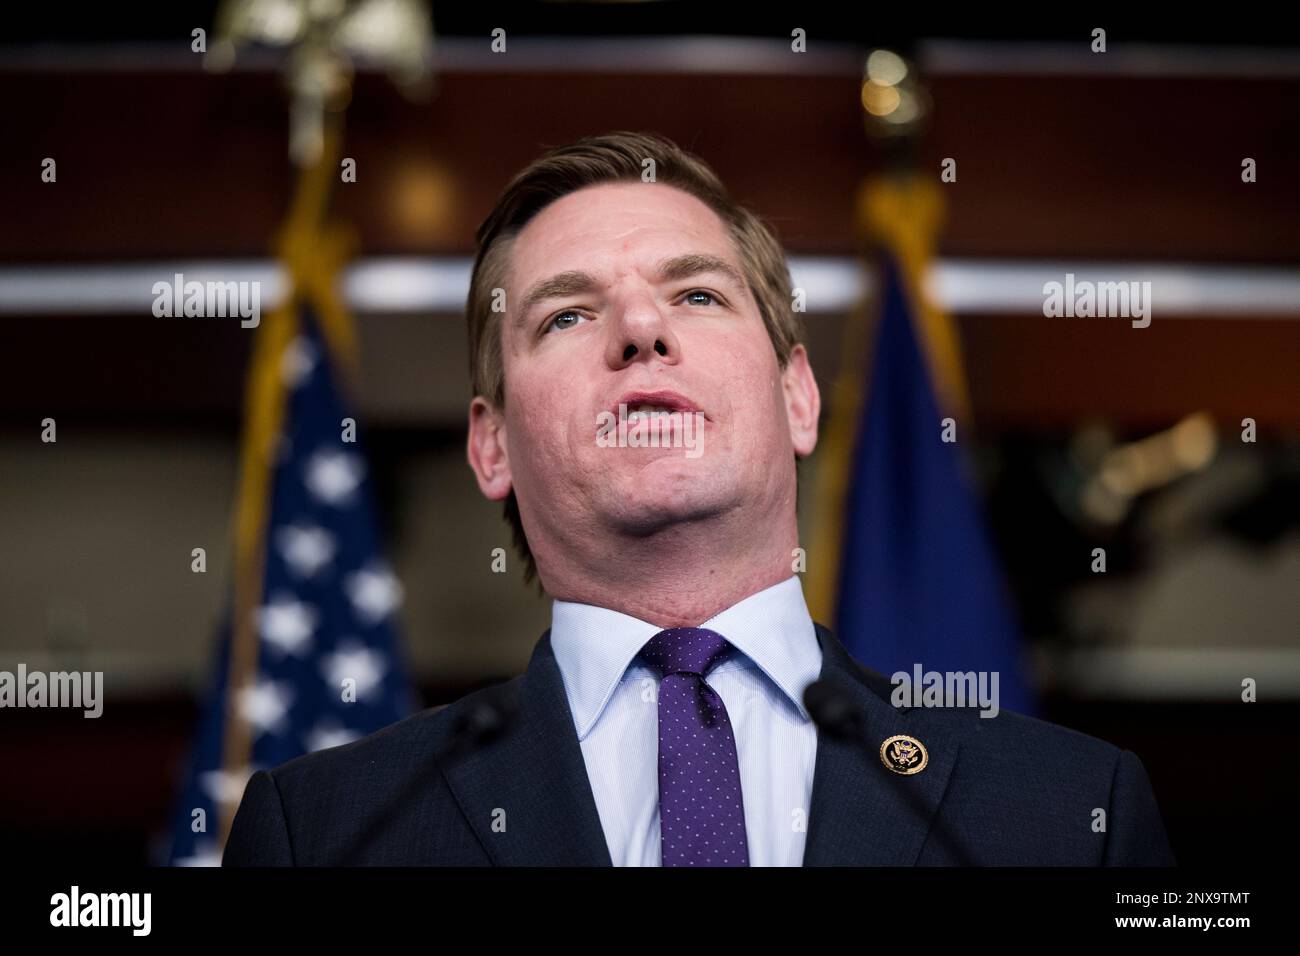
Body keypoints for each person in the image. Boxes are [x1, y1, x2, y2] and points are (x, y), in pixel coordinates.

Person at [224, 131, 1176, 866]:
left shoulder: (1071, 813)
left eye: (698, 296)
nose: (640, 327)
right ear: (492, 444)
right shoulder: (322, 835)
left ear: (798, 396)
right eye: (566, 313)